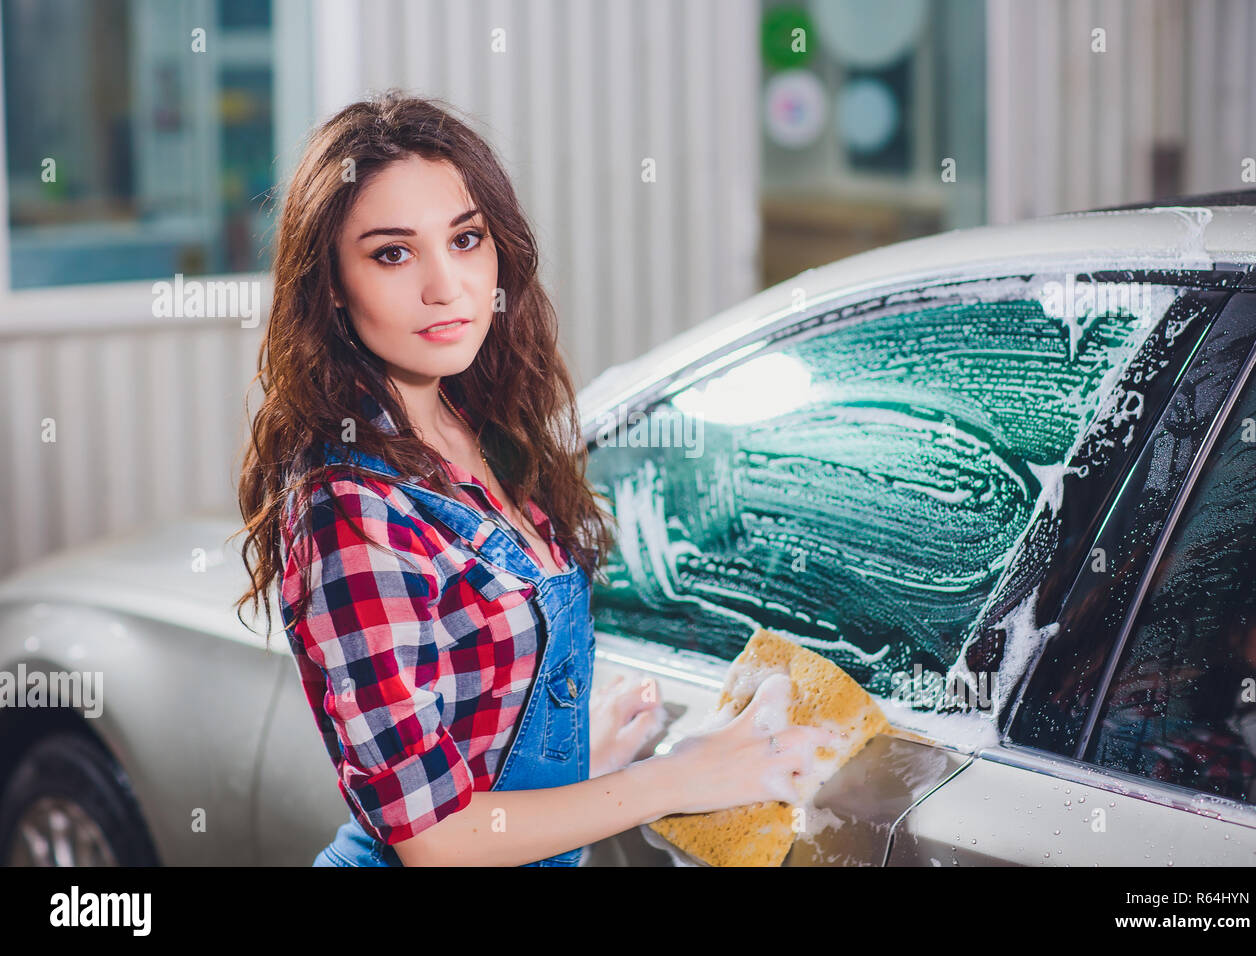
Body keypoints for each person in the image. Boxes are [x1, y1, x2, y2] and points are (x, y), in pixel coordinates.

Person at [233, 90, 835, 867]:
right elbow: (437, 838)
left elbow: (473, 721)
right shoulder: (350, 507)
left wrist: (580, 760)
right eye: (392, 252)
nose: (445, 285)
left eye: (465, 239)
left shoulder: (473, 423)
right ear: (332, 287)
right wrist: (679, 778)